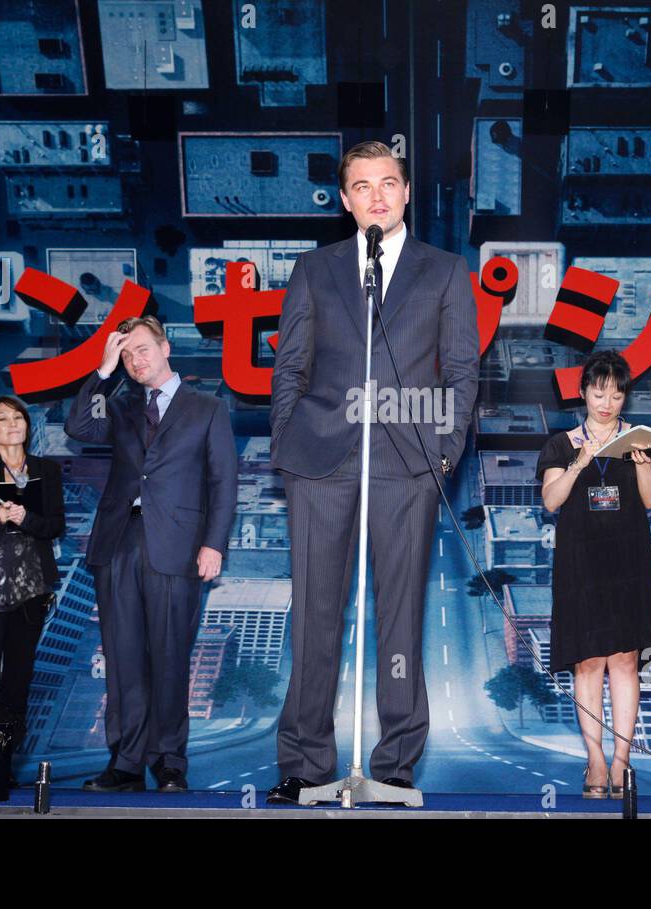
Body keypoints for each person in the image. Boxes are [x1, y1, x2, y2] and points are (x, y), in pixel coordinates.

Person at [266, 140, 480, 804]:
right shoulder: (315, 269)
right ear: (346, 198)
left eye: (388, 182)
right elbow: (290, 368)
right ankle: (304, 761)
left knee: (400, 618)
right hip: (320, 464)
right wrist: (287, 446)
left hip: (407, 464)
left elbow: (464, 370)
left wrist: (441, 453)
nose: (377, 196)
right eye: (362, 186)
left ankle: (394, 762)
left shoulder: (445, 271)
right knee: (315, 617)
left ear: (408, 191)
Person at [65, 315, 237, 793]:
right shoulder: (118, 406)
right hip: (119, 541)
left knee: (169, 657)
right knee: (123, 659)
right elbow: (77, 425)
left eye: (141, 349)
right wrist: (102, 369)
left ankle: (168, 763)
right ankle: (124, 762)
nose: (135, 361)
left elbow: (224, 481)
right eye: (126, 355)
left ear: (165, 348)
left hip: (178, 547)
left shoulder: (207, 408)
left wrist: (214, 543)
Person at [536, 350, 651, 798]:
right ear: (584, 393)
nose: (607, 402)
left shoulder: (641, 439)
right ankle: (594, 759)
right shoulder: (561, 442)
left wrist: (647, 464)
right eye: (599, 392)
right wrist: (580, 462)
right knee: (588, 661)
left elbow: (650, 501)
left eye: (616, 393)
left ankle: (622, 761)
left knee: (626, 661)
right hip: (581, 562)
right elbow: (552, 501)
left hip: (629, 561)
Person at [0, 395, 66, 754]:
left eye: (19, 417)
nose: (13, 423)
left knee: (18, 678)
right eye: (3, 418)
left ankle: (3, 761)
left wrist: (26, 519)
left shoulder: (46, 470)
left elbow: (55, 525)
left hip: (32, 588)